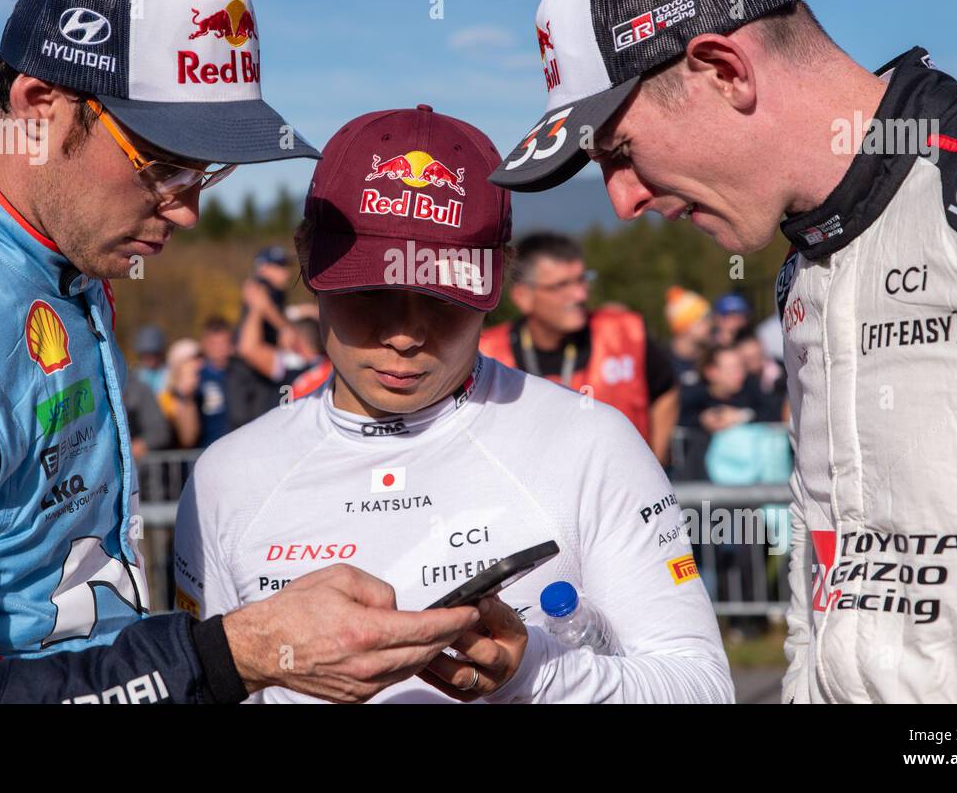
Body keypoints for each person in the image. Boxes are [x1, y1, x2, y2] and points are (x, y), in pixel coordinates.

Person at [0, 0, 479, 703]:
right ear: (39, 107)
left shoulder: (62, 260)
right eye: (164, 166)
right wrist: (227, 656)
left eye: (208, 171)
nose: (187, 209)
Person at [489, 0, 957, 702]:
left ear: (724, 69)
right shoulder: (804, 263)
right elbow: (826, 568)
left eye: (621, 153)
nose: (623, 200)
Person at [174, 104, 732, 704]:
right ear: (306, 261)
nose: (406, 334)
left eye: (444, 297)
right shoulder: (226, 479)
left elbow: (701, 689)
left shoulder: (591, 442)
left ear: (500, 277)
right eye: (371, 292)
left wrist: (534, 673)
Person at [479, 232, 679, 465]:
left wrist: (656, 462)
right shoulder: (487, 351)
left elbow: (666, 390)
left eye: (582, 280)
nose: (580, 294)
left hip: (623, 491)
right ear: (524, 296)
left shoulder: (625, 333)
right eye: (562, 285)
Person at [225, 245, 293, 428]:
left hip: (258, 365)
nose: (285, 272)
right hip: (247, 369)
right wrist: (286, 328)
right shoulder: (260, 285)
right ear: (263, 267)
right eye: (279, 266)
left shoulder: (276, 292)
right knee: (248, 423)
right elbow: (262, 305)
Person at [195, 316, 233, 448]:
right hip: (206, 449)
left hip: (236, 448)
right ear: (204, 344)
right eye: (214, 344)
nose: (219, 349)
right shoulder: (197, 377)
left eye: (224, 343)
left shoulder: (240, 375)